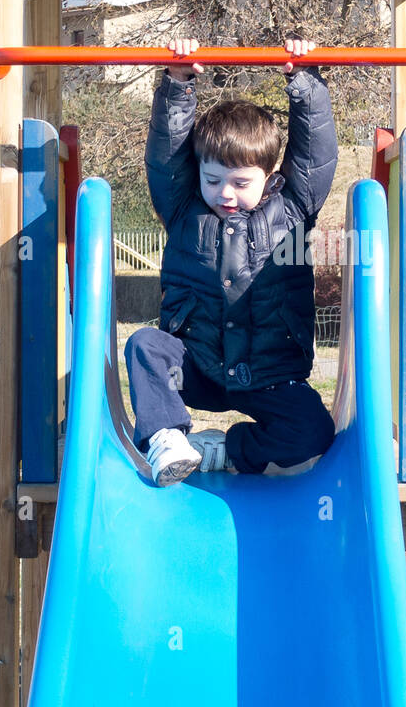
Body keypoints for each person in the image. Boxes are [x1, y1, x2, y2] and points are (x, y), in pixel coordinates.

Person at [125, 37, 338, 486]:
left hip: (269, 374)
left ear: (269, 175)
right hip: (198, 365)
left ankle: (229, 449)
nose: (225, 193)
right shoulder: (183, 209)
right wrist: (179, 83)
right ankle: (167, 438)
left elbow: (314, 157)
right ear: (198, 174)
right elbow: (165, 158)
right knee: (145, 345)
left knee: (314, 431)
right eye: (213, 179)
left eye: (241, 182)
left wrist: (303, 80)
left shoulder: (294, 210)